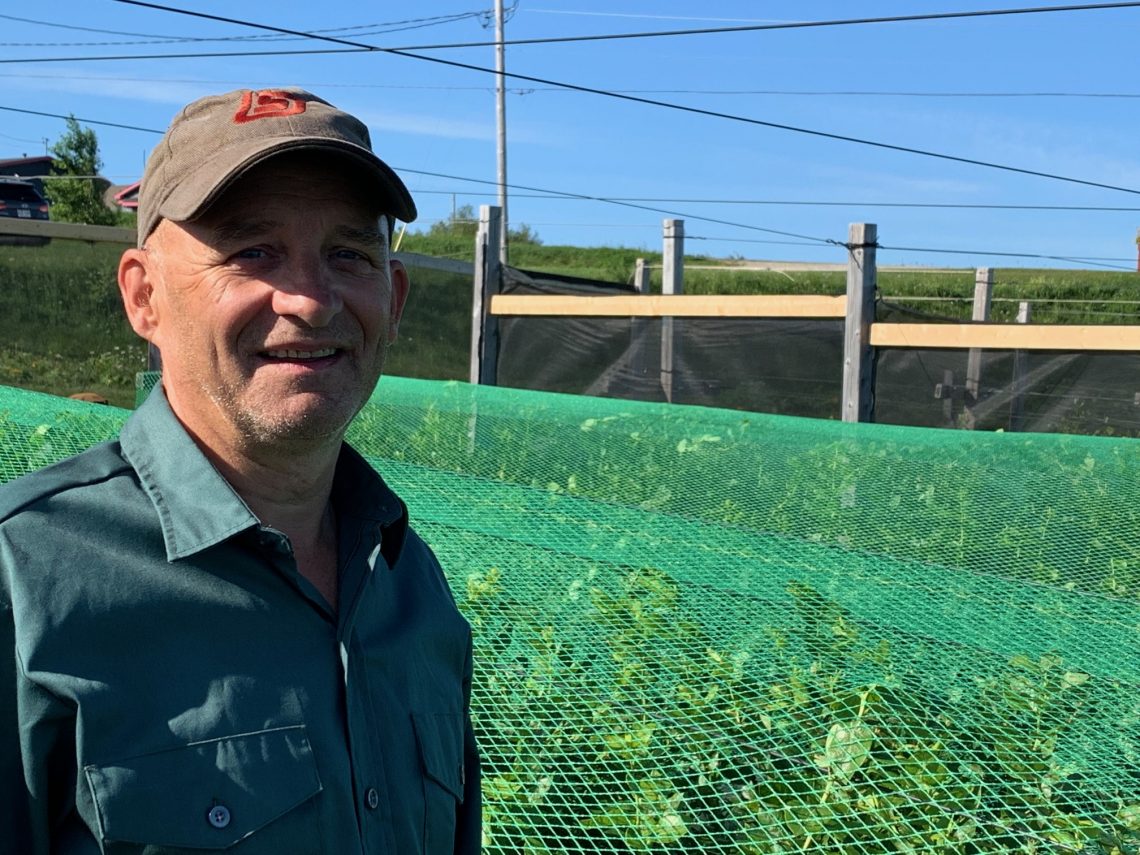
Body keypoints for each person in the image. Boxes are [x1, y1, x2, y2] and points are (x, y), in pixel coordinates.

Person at [0, 88, 481, 853]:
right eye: (251, 251)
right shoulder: (24, 582)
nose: (311, 301)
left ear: (392, 300)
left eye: (348, 254)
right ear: (143, 295)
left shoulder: (410, 582)